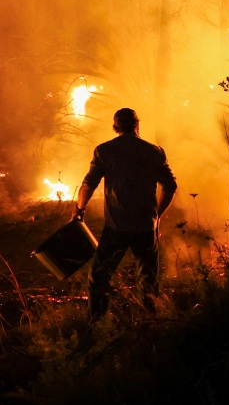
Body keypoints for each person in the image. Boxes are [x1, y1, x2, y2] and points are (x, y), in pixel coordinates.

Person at [73, 108, 177, 321]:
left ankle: (98, 325)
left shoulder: (104, 151)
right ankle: (149, 325)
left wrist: (79, 209)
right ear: (137, 126)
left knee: (99, 278)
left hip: (116, 228)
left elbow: (88, 184)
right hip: (145, 228)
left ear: (115, 127)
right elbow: (170, 186)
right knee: (148, 280)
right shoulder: (154, 151)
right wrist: (157, 215)